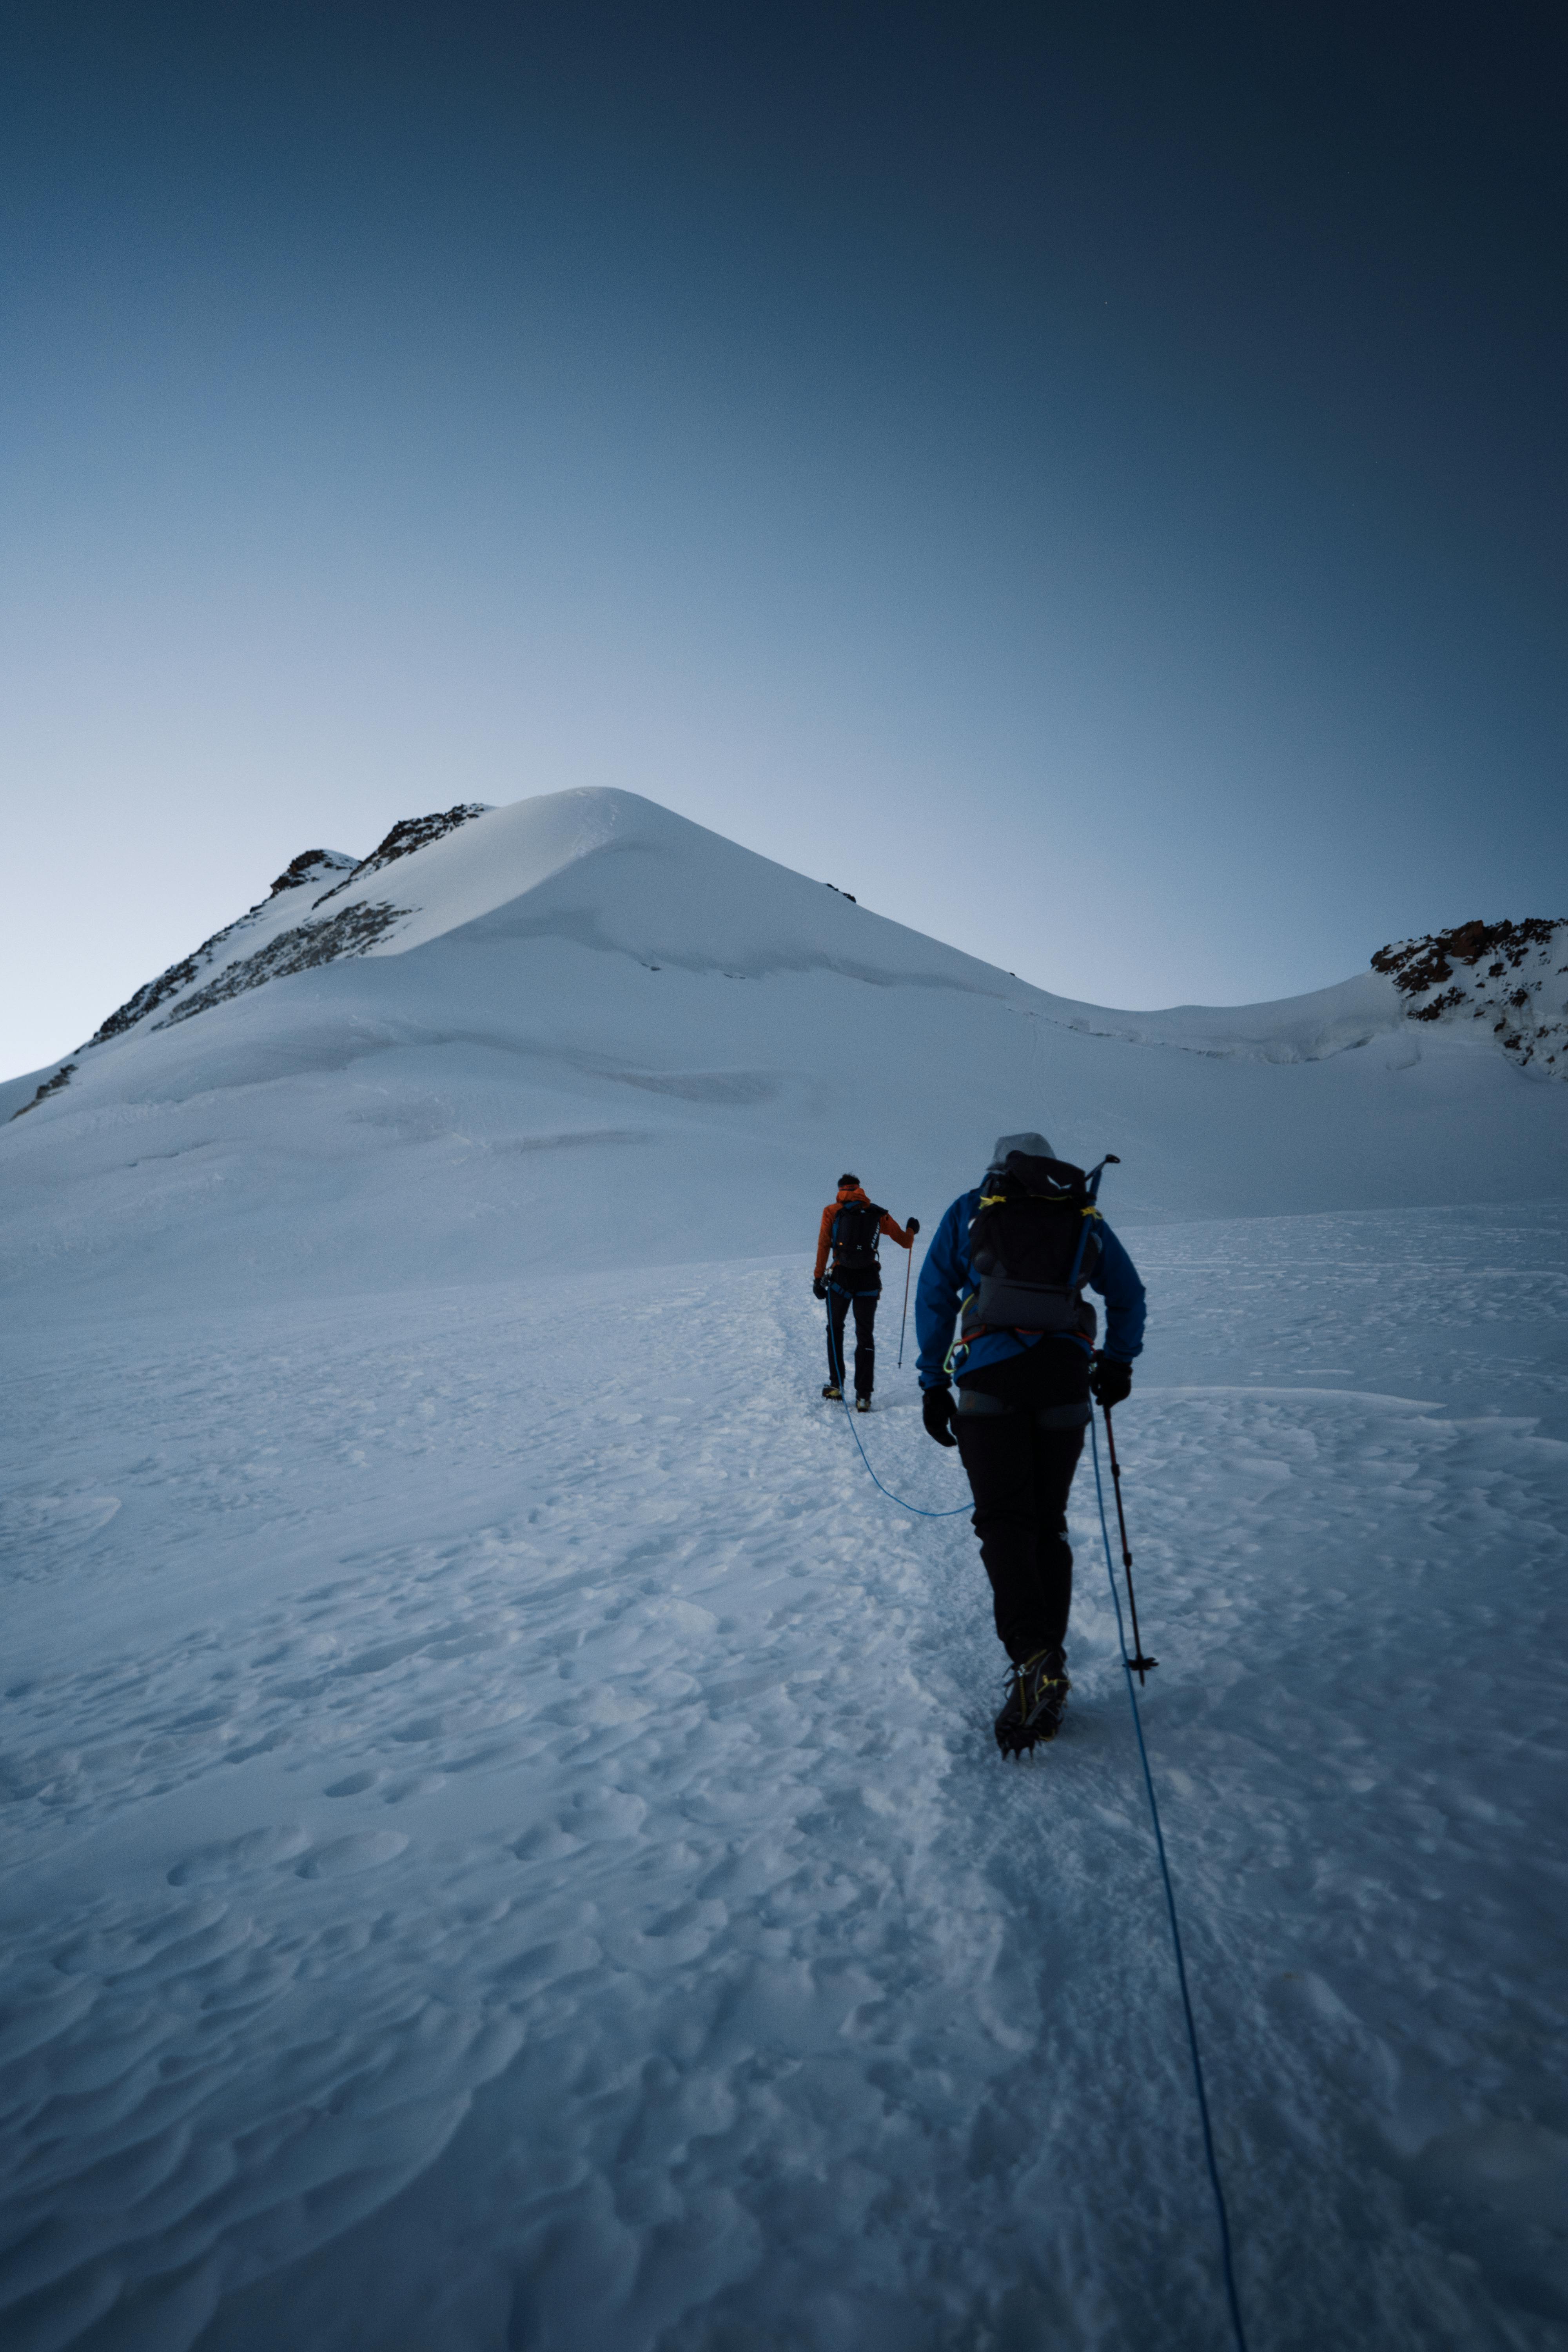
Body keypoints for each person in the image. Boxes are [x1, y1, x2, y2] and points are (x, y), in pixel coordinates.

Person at [915, 1130, 1145, 1755]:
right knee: (1047, 1523)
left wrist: (933, 1381)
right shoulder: (1080, 1214)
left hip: (989, 1377)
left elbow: (936, 1293)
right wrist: (1117, 1363)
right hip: (1065, 1381)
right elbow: (1128, 1295)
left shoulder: (972, 1208)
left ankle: (1032, 1657)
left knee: (1003, 1521)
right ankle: (1048, 1663)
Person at [813, 1175, 918, 1411]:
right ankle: (863, 1396)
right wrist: (912, 1229)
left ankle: (836, 1386)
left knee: (835, 1329)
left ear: (840, 1189)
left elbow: (823, 1244)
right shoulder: (876, 1212)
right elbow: (905, 1242)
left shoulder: (832, 1211)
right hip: (869, 1279)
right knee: (865, 1334)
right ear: (859, 1188)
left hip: (841, 1277)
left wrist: (819, 1277)